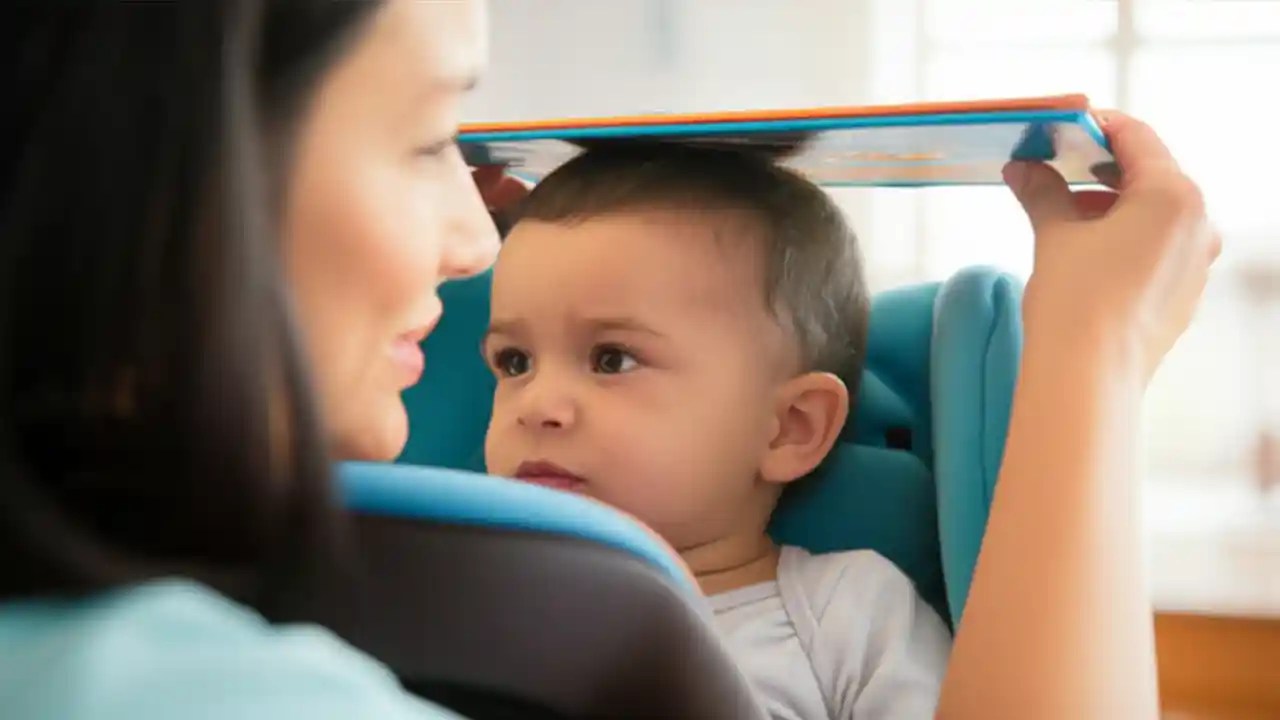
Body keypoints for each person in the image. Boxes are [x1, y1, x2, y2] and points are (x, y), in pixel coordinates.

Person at [0, 1, 1219, 719]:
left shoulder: (837, 608)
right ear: (163, 173)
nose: (474, 237)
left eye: (615, 360)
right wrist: (1091, 354)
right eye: (427, 137)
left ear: (794, 427)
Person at [483, 143, 949, 719]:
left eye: (612, 360)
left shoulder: (848, 613)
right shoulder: (467, 599)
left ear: (788, 428)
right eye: (514, 362)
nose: (535, 405)